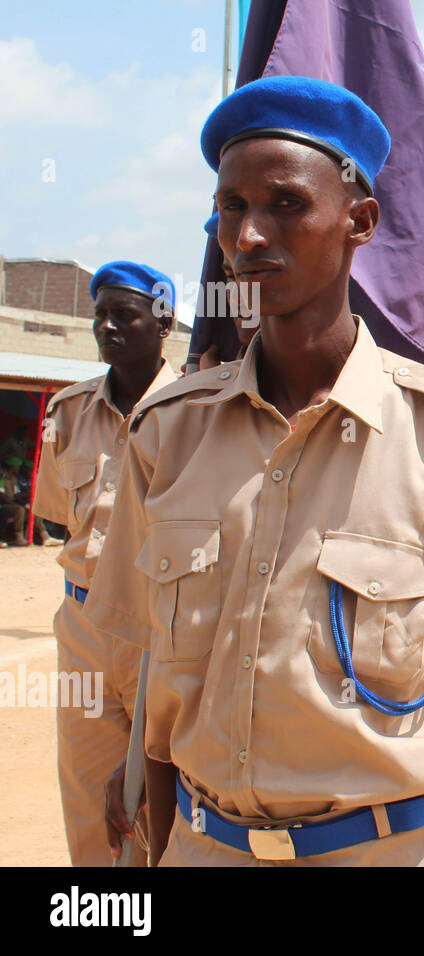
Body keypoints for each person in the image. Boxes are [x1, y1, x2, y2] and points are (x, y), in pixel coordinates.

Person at [87, 76, 424, 867]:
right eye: (231, 208)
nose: (247, 236)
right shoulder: (167, 433)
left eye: (284, 205)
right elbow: (155, 674)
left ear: (360, 220)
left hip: (389, 846)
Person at [29, 260, 177, 865]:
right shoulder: (68, 413)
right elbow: (61, 519)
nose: (108, 327)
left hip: (160, 630)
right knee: (91, 795)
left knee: (164, 794)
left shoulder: (196, 412)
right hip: (86, 626)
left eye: (126, 315)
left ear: (163, 321)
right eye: (100, 316)